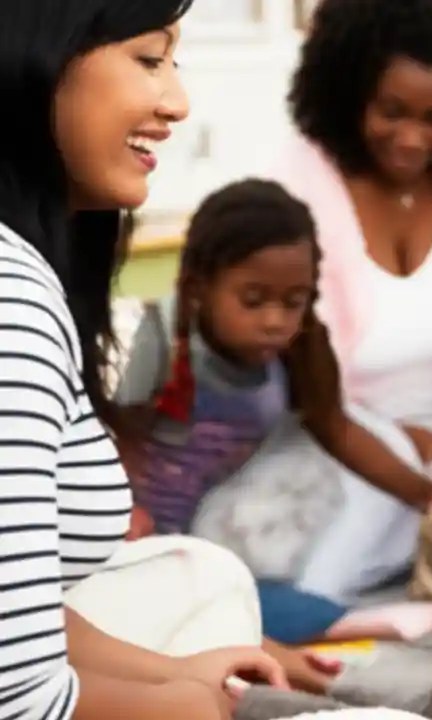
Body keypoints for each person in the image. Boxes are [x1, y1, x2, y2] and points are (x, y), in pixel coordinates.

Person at [0, 2, 300, 718]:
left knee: (206, 577)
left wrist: (171, 675)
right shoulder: (11, 297)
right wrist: (191, 707)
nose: (176, 101)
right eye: (147, 59)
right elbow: (21, 701)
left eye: (174, 61)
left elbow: (19, 624)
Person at [112, 178, 432, 716]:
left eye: (295, 301)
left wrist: (427, 494)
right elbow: (111, 438)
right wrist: (125, 520)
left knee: (239, 596)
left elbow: (337, 429)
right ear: (196, 287)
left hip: (212, 539)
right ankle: (347, 641)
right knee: (198, 620)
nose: (275, 320)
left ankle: (384, 655)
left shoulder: (302, 345)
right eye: (254, 299)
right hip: (139, 540)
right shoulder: (159, 339)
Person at [198, 0, 432, 605]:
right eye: (392, 112)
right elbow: (311, 386)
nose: (412, 138)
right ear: (351, 95)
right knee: (280, 568)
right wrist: (422, 450)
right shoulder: (301, 176)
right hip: (335, 438)